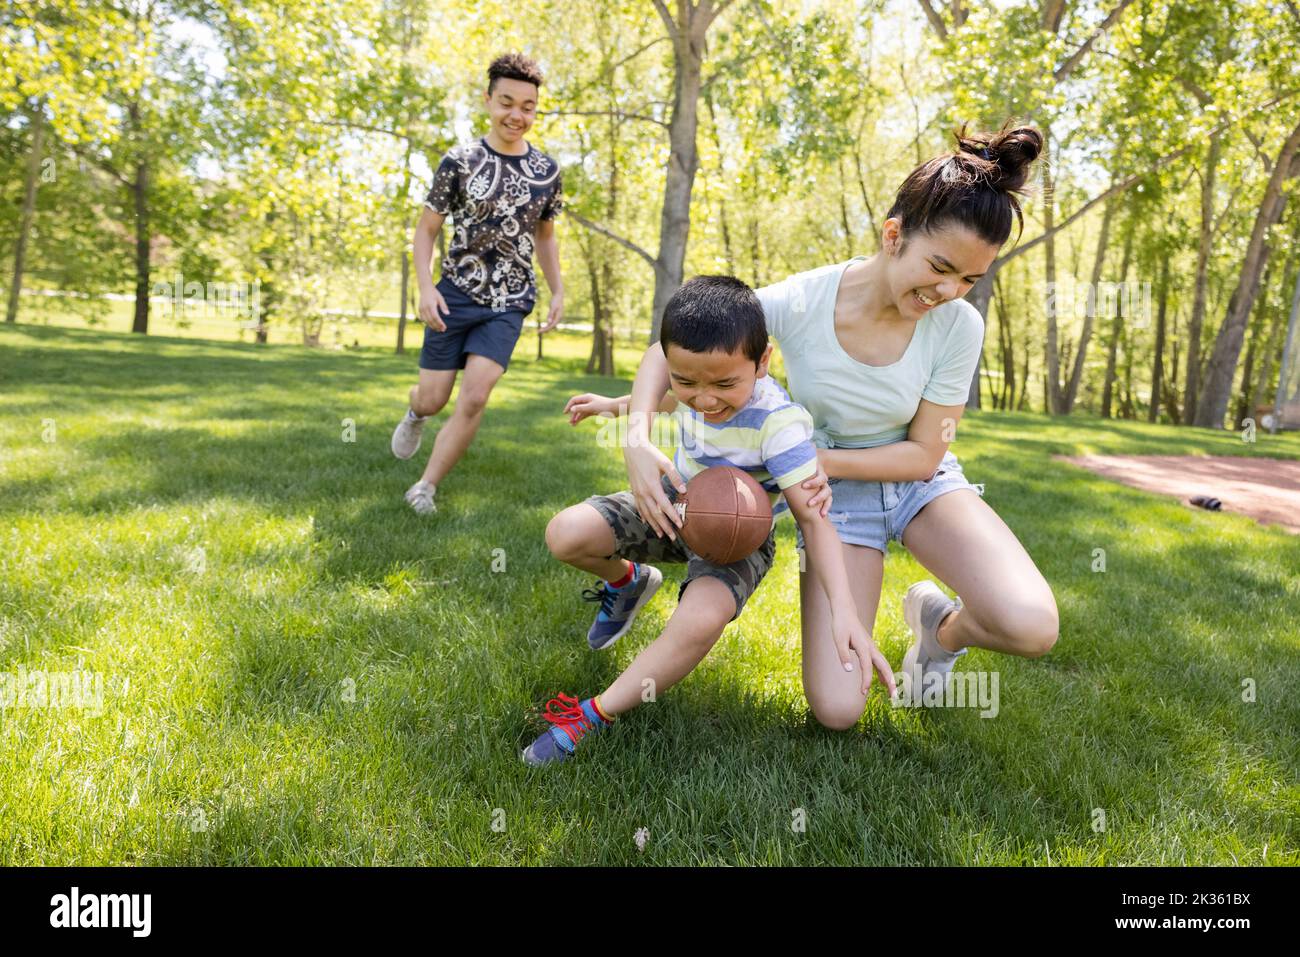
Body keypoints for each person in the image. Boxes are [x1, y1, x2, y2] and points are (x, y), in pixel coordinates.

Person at [620, 123, 1060, 727]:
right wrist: (638, 439)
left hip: (918, 485)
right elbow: (666, 350)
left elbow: (923, 456)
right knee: (837, 709)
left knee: (1032, 624)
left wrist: (805, 463)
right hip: (838, 506)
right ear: (893, 234)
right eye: (940, 266)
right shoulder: (803, 301)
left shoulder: (959, 326)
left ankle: (941, 631)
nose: (948, 290)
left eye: (968, 280)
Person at [523, 276, 895, 766]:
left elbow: (814, 520)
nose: (705, 399)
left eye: (724, 384)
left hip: (737, 540)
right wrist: (614, 407)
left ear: (761, 364)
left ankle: (593, 714)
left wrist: (844, 610)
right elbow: (670, 398)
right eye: (687, 380)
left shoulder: (779, 426)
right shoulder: (698, 384)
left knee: (700, 619)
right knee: (565, 533)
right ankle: (628, 582)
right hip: (672, 506)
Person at [390, 52, 565, 515]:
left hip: (510, 300)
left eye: (528, 106)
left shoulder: (547, 173)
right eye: (507, 102)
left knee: (476, 396)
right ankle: (416, 413)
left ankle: (424, 486)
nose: (517, 115)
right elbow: (427, 229)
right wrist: (427, 289)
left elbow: (545, 236)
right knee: (434, 397)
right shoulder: (459, 161)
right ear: (488, 100)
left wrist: (558, 289)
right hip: (455, 296)